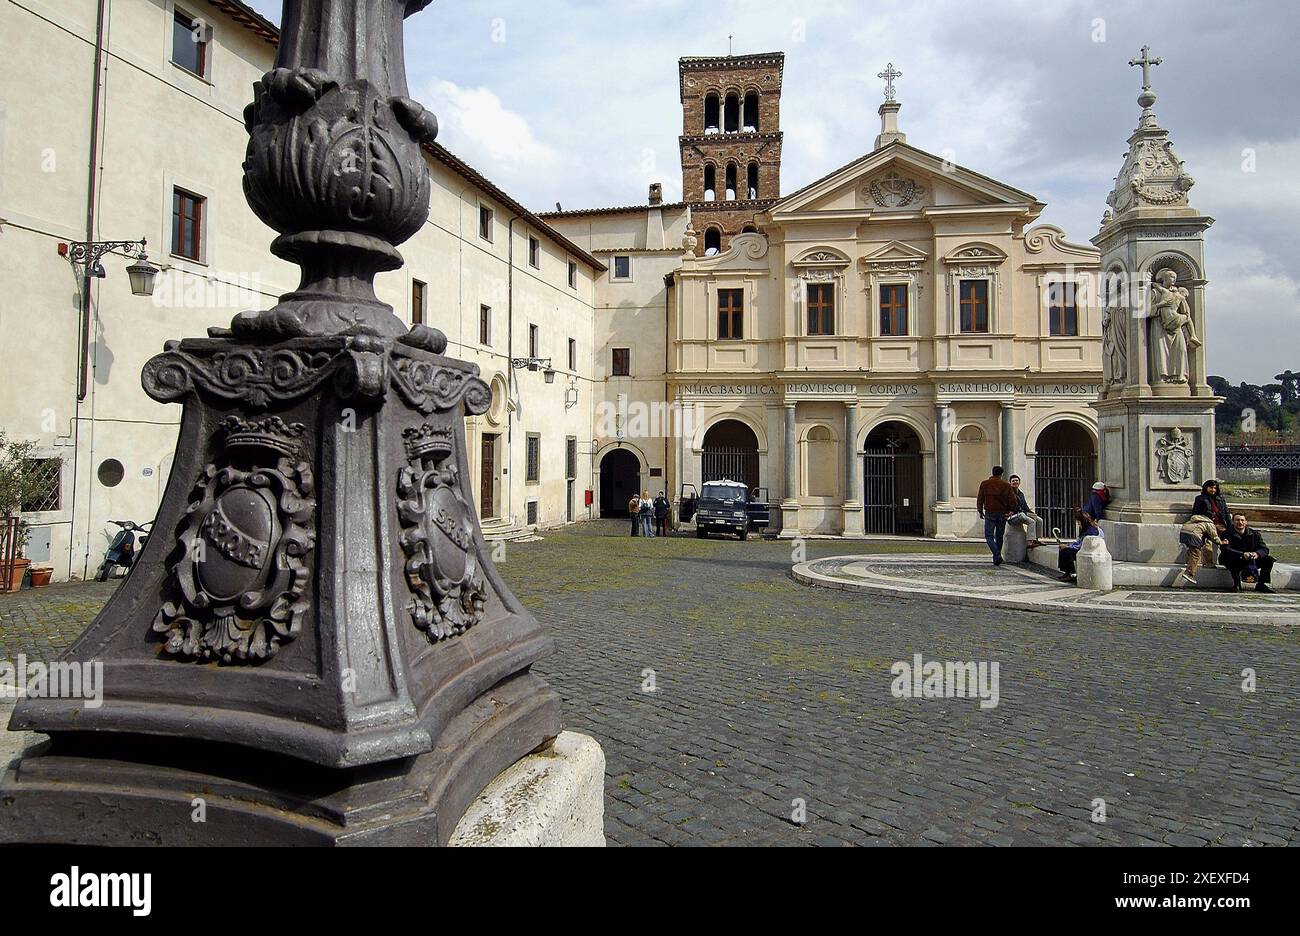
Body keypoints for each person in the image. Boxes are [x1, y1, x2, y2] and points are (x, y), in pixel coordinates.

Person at [1219, 513, 1275, 593]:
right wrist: (1242, 554)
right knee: (1231, 559)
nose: (1240, 522)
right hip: (1235, 558)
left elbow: (1264, 549)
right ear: (1233, 522)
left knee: (1269, 560)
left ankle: (1261, 584)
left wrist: (1257, 554)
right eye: (1237, 520)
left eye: (1242, 520)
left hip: (1251, 559)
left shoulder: (1255, 534)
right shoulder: (1226, 534)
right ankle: (1236, 583)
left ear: (1246, 522)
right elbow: (1225, 549)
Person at [976, 466, 1017, 566]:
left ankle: (997, 555)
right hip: (1002, 513)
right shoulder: (1006, 485)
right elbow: (1012, 499)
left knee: (989, 536)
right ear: (1001, 474)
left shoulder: (985, 484)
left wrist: (980, 511)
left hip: (990, 512)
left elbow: (980, 499)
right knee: (999, 536)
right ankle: (997, 556)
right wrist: (1011, 510)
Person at [1177, 513, 1224, 586]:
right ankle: (1189, 573)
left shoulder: (1198, 520)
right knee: (1196, 554)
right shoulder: (1210, 524)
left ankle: (1189, 563)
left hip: (1184, 532)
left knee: (1192, 551)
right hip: (1193, 534)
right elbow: (1214, 538)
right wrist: (1222, 542)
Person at [1058, 513, 1102, 582]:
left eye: (1079, 523)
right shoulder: (1087, 529)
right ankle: (1067, 572)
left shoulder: (1090, 532)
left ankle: (1072, 574)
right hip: (1084, 549)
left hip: (1088, 550)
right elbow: (1078, 542)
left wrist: (1068, 546)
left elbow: (1080, 546)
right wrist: (1068, 545)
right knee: (1063, 549)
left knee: (1067, 551)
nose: (1078, 525)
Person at [1007, 474, 1040, 542]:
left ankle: (1036, 539)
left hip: (1023, 513)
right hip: (1014, 514)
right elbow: (1013, 506)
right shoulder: (1009, 493)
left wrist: (1032, 513)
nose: (1015, 482)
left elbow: (1025, 505)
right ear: (1010, 483)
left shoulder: (1021, 493)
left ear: (1019, 482)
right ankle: (1030, 541)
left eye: (1017, 480)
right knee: (1031, 522)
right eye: (1013, 481)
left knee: (1039, 520)